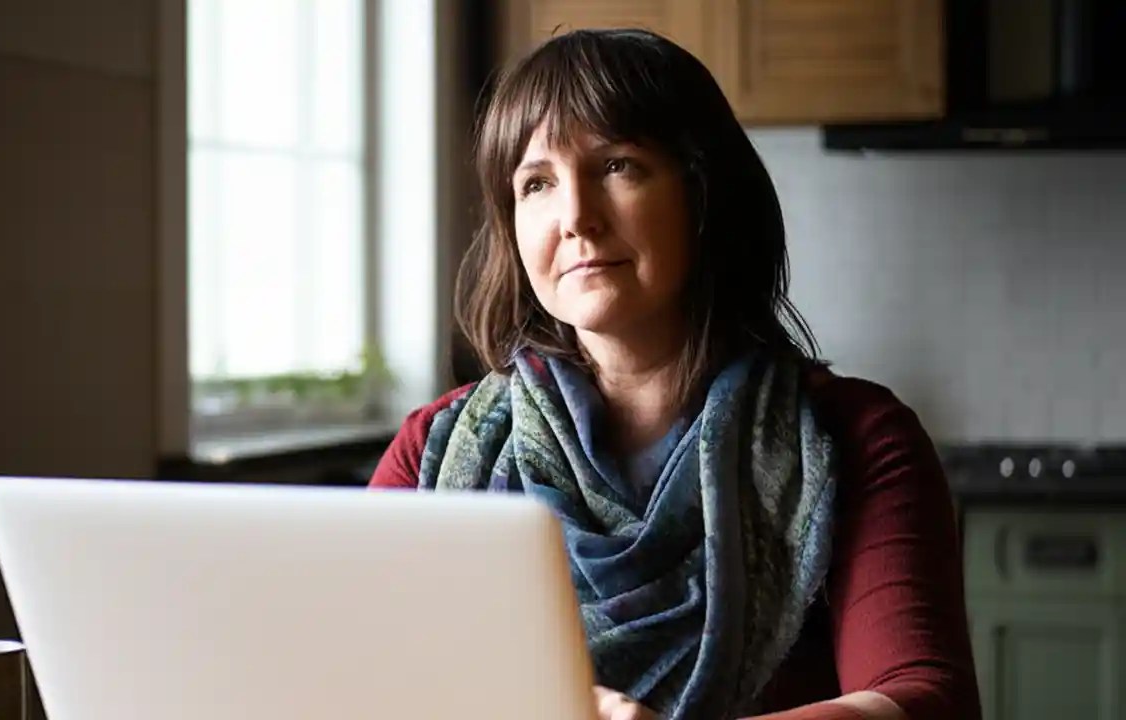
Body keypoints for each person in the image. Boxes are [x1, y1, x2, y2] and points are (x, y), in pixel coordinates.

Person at [369, 28, 981, 720]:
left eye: (617, 166)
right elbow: (349, 675)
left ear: (703, 194)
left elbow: (925, 700)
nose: (576, 217)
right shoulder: (433, 448)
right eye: (536, 183)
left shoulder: (861, 438)